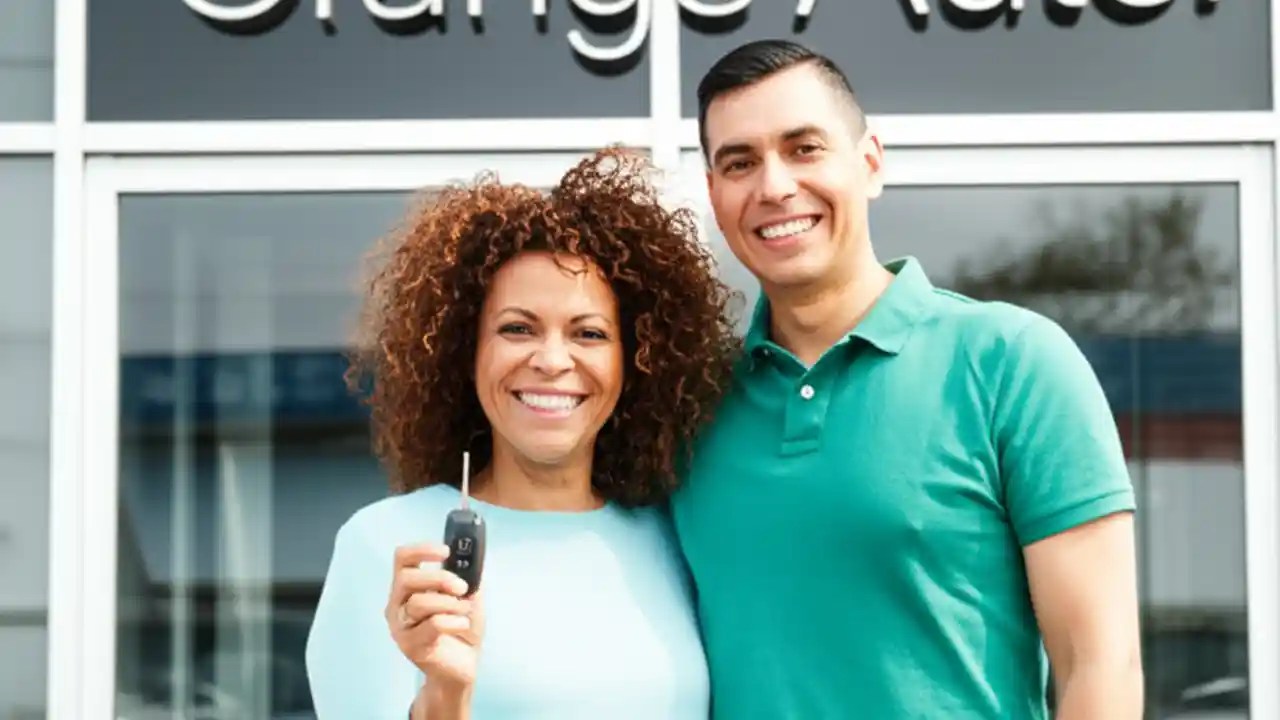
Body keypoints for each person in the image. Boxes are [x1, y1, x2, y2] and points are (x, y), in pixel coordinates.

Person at [670, 39, 1144, 719]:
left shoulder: (1013, 362)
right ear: (715, 195)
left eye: (804, 148)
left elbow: (1100, 666)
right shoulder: (690, 405)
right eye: (739, 162)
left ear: (869, 164)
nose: (773, 186)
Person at [305, 148, 738, 719]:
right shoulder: (386, 545)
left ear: (636, 362)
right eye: (517, 328)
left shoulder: (674, 536)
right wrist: (446, 698)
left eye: (588, 334)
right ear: (467, 350)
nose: (552, 360)